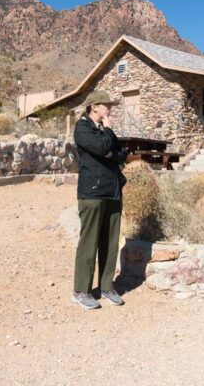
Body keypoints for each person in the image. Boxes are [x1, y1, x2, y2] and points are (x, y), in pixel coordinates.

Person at [71, 90, 127, 309]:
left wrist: (111, 151)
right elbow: (104, 147)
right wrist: (109, 134)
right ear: (94, 106)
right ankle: (81, 291)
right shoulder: (82, 128)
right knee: (89, 242)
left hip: (112, 191)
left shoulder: (102, 130)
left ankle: (106, 286)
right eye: (106, 105)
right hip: (92, 193)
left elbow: (119, 153)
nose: (109, 108)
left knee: (110, 242)